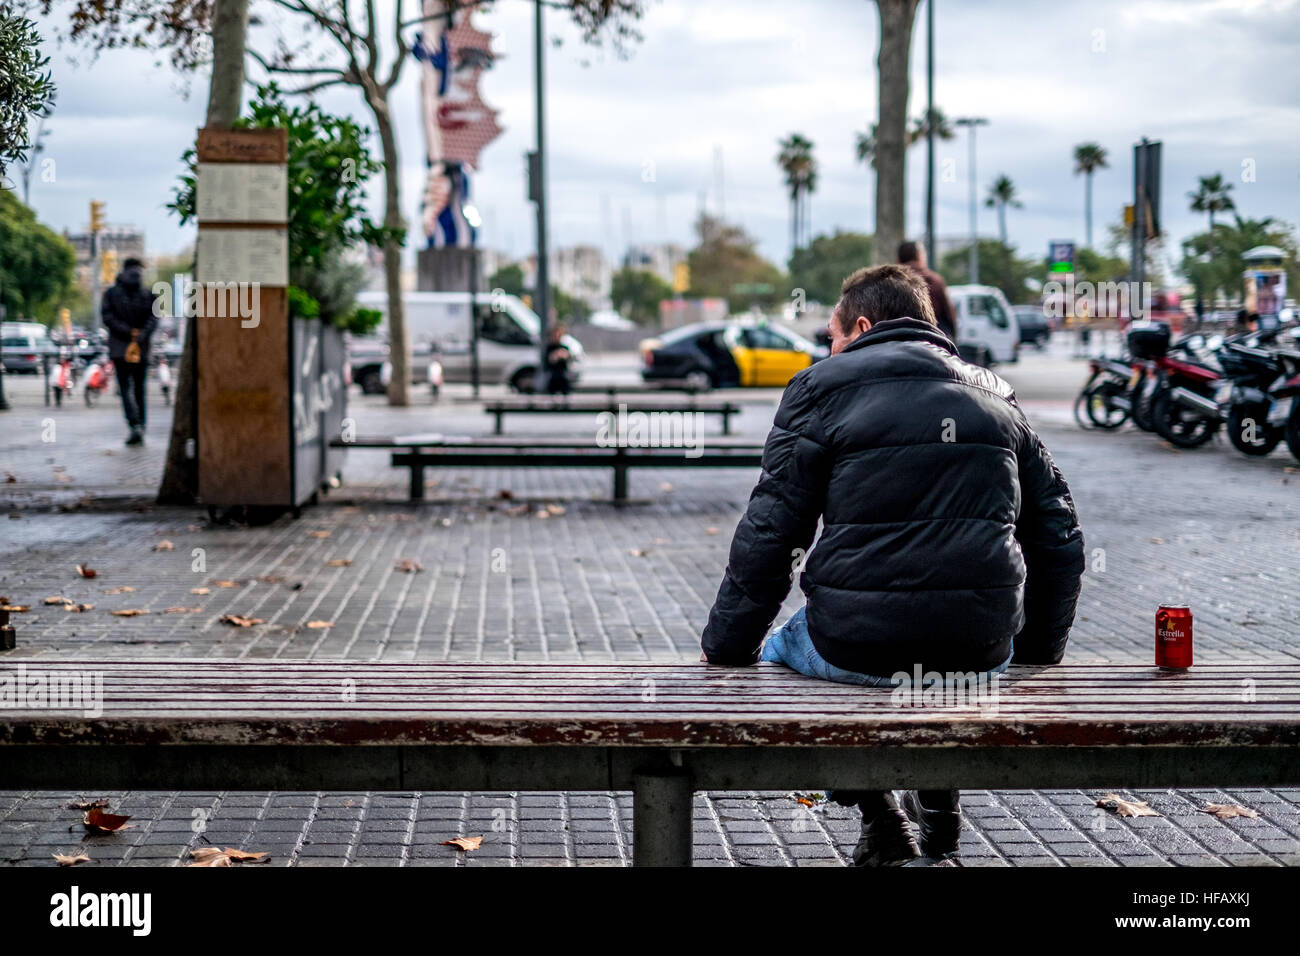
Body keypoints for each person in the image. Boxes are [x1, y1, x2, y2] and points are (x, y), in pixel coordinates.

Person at [700, 264, 1085, 866]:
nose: (827, 349)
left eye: (830, 336)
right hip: (978, 653)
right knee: (923, 660)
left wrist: (726, 647)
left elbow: (773, 534)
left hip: (856, 646)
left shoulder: (817, 389)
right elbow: (1059, 534)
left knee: (778, 658)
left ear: (860, 325)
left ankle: (882, 814)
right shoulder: (995, 392)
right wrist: (1036, 653)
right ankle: (937, 796)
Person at [100, 257, 158, 446]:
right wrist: (141, 334)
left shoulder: (111, 294)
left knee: (125, 388)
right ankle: (141, 424)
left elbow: (107, 317)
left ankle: (134, 424)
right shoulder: (148, 294)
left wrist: (126, 331)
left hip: (120, 348)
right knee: (140, 388)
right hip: (141, 348)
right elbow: (153, 318)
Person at [897, 239, 957, 340]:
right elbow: (949, 315)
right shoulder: (935, 281)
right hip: (934, 342)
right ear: (919, 256)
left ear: (898, 259)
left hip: (899, 341)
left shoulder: (891, 282)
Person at [544, 324, 572, 395]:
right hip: (552, 375)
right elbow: (548, 362)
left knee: (563, 379)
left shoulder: (564, 347)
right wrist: (555, 355)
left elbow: (568, 360)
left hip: (562, 374)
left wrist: (563, 355)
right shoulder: (549, 347)